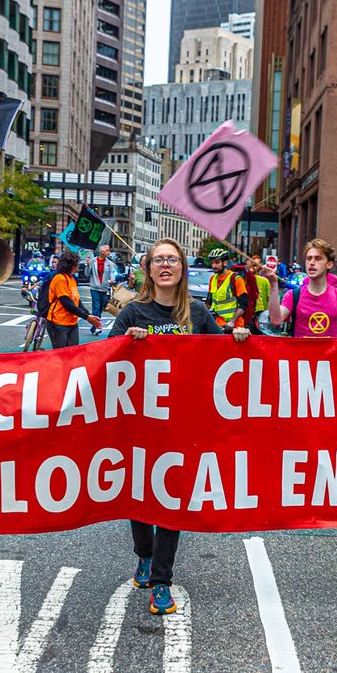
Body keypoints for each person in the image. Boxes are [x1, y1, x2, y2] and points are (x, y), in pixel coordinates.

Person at [110, 238, 251, 615]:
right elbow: (104, 359)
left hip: (182, 424)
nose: (166, 265)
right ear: (148, 269)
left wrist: (237, 339)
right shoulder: (133, 313)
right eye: (159, 260)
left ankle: (161, 580)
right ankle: (144, 554)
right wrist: (127, 341)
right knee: (138, 498)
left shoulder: (198, 314)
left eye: (172, 259)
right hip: (140, 423)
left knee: (171, 501)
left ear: (182, 268)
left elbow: (220, 357)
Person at [263, 238, 337, 339]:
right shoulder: (293, 296)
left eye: (318, 258)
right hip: (300, 354)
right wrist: (273, 284)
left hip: (329, 355)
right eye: (309, 258)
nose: (312, 262)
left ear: (329, 264)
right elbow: (275, 321)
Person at [43, 250, 100, 347]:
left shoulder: (72, 279)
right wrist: (86, 317)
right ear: (69, 265)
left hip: (72, 323)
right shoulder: (60, 279)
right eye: (76, 266)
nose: (78, 269)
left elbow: (77, 302)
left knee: (73, 355)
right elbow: (67, 303)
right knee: (62, 357)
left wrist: (89, 315)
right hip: (58, 324)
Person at [205, 248, 248, 332]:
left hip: (234, 327)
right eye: (212, 262)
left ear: (225, 263)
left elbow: (244, 304)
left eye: (217, 262)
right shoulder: (212, 278)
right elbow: (209, 302)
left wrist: (232, 321)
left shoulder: (235, 279)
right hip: (217, 324)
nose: (214, 266)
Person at [86, 244, 119, 335]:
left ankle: (94, 327)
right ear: (102, 252)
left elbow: (112, 273)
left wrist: (112, 279)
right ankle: (96, 327)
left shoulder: (109, 263)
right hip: (94, 288)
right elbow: (88, 274)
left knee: (101, 307)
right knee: (96, 307)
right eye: (107, 250)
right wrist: (88, 266)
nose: (109, 252)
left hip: (104, 288)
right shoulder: (93, 261)